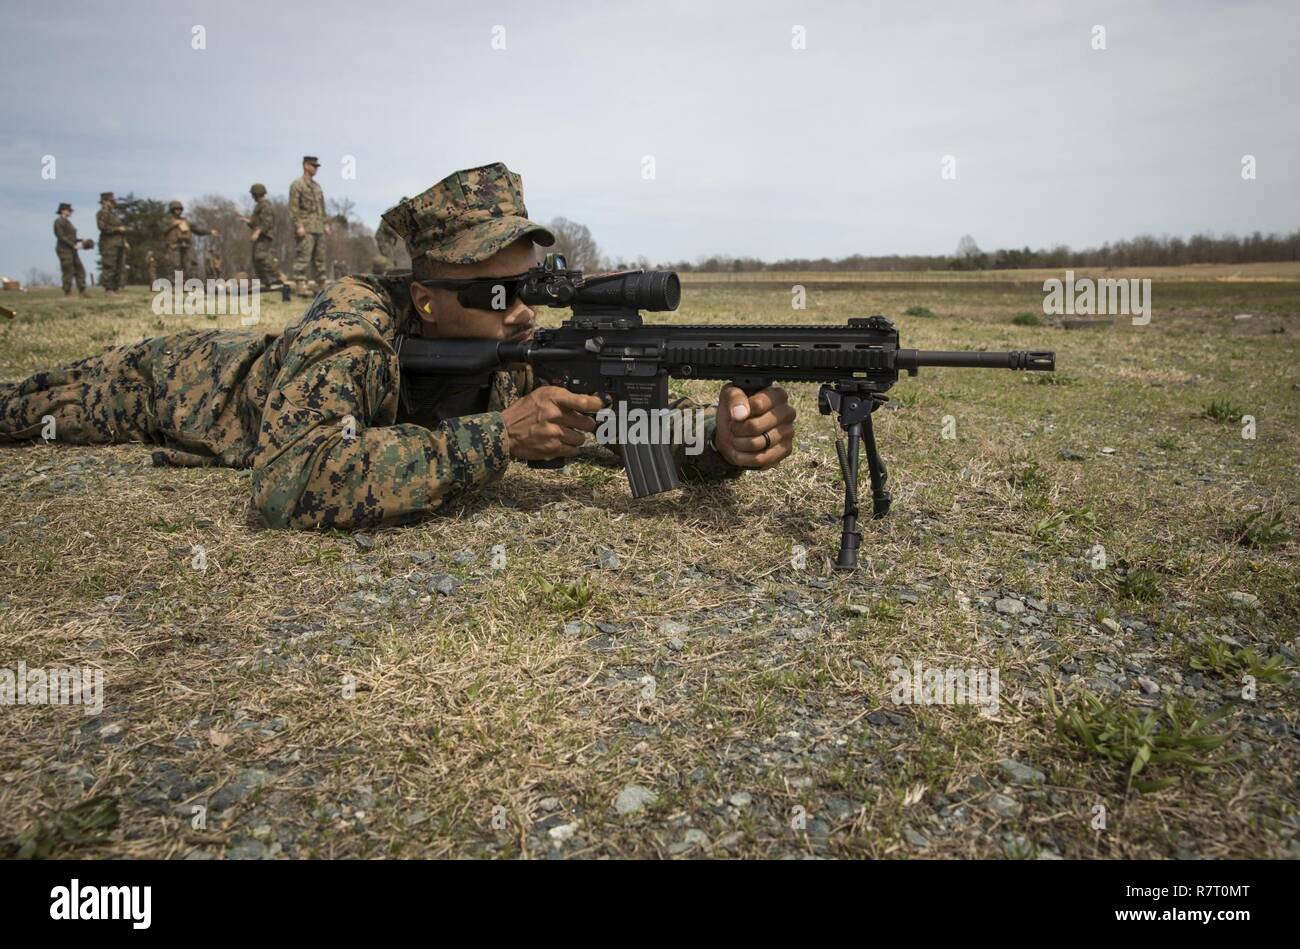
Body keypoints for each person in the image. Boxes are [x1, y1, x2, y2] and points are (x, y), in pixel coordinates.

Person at [0, 162, 797, 531]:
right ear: (426, 299)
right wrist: (496, 437)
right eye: (499, 292)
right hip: (175, 383)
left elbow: (611, 433)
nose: (525, 310)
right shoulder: (353, 324)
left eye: (535, 284)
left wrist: (714, 440)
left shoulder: (516, 342)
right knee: (28, 408)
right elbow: (284, 482)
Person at [289, 155, 329, 293]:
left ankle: (321, 284)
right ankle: (300, 283)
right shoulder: (297, 185)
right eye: (314, 166)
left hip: (318, 227)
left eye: (317, 166)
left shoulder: (317, 187)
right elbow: (294, 208)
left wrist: (326, 224)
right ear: (306, 165)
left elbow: (322, 207)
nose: (316, 169)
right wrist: (298, 225)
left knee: (320, 257)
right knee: (303, 256)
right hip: (305, 227)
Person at [162, 200, 217, 284]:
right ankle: (174, 284)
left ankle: (187, 284)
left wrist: (209, 232)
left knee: (188, 265)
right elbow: (162, 231)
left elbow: (197, 230)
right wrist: (173, 224)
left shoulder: (186, 221)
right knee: (175, 265)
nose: (178, 211)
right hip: (174, 246)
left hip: (186, 245)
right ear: (172, 210)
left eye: (179, 209)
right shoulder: (167, 220)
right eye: (176, 209)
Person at [238, 182, 282, 288]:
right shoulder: (259, 206)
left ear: (255, 194)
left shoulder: (266, 206)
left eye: (253, 194)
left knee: (261, 256)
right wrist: (246, 221)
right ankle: (264, 281)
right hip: (260, 235)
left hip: (264, 236)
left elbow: (267, 222)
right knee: (256, 259)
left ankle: (276, 278)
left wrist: (257, 233)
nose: (252, 196)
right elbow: (255, 223)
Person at [53, 203, 91, 296]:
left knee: (80, 270)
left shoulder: (67, 222)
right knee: (68, 270)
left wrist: (80, 240)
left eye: (70, 211)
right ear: (62, 210)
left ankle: (82, 291)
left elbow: (70, 237)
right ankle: (67, 291)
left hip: (72, 249)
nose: (70, 212)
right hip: (64, 250)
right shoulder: (59, 221)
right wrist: (72, 245)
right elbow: (61, 236)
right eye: (68, 210)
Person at [96, 192, 129, 293]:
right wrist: (117, 228)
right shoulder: (102, 213)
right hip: (108, 244)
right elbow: (102, 227)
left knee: (119, 266)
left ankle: (116, 288)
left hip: (118, 243)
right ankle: (109, 289)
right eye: (111, 201)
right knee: (109, 266)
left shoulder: (113, 214)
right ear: (104, 202)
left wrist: (125, 242)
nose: (113, 203)